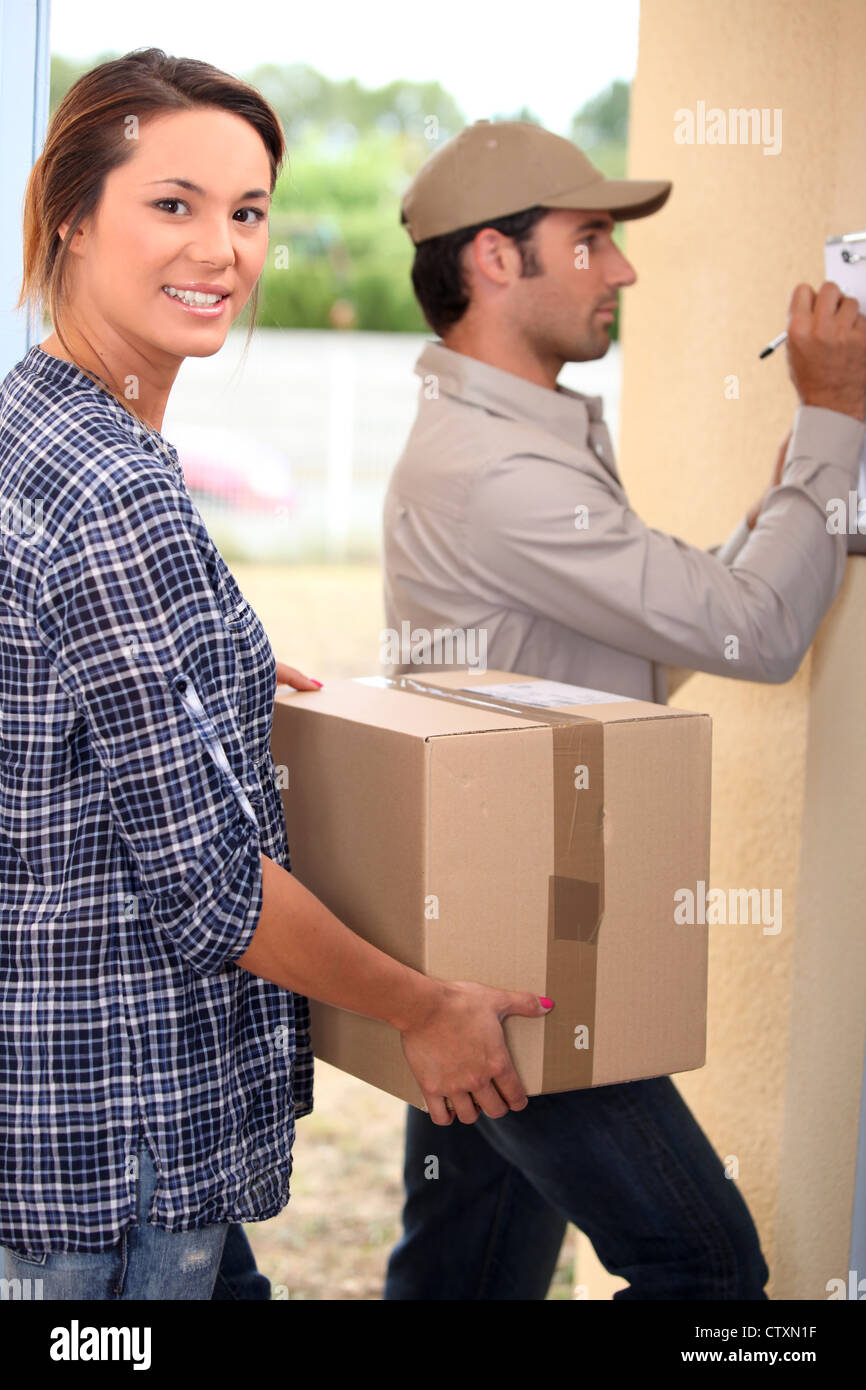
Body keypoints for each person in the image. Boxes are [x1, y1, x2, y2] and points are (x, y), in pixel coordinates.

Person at [0, 53, 553, 1302]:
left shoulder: (31, 419)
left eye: (247, 214)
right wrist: (420, 1006)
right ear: (73, 216)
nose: (222, 251)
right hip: (119, 1144)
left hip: (58, 1110)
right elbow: (209, 890)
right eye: (175, 203)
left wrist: (217, 669)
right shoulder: (113, 488)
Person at [381, 118, 866, 1300]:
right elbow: (746, 632)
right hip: (518, 957)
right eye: (590, 239)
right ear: (494, 260)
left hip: (477, 936)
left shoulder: (507, 444)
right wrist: (835, 414)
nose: (624, 271)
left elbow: (659, 640)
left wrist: (790, 500)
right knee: (703, 1268)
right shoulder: (499, 473)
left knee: (466, 1272)